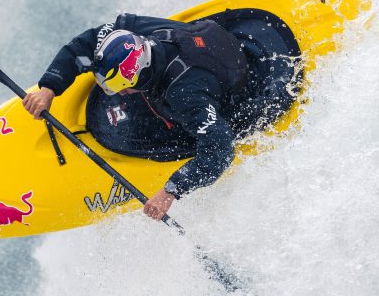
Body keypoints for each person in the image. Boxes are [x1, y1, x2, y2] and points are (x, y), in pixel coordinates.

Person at [22, 14, 252, 221]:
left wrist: (171, 190)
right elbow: (88, 42)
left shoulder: (184, 94)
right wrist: (49, 88)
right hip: (216, 53)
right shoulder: (141, 33)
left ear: (140, 76)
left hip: (229, 93)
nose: (120, 93)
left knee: (186, 131)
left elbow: (221, 149)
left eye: (122, 86)